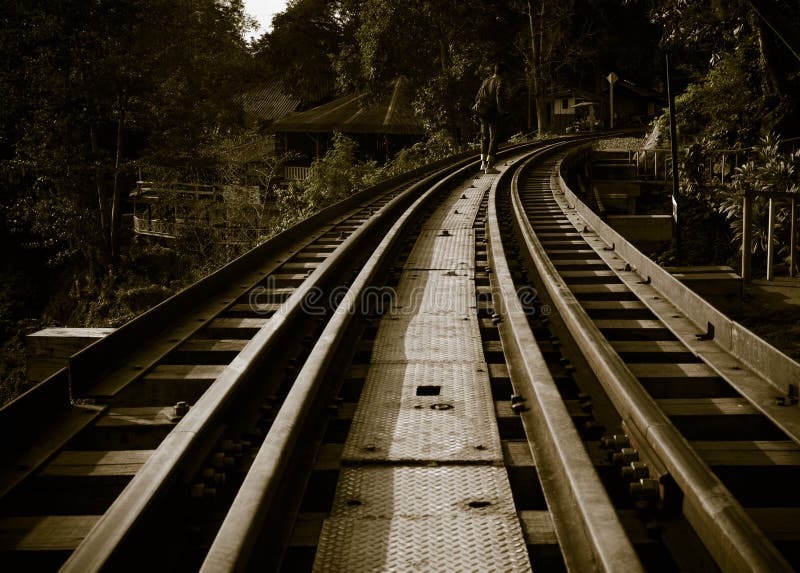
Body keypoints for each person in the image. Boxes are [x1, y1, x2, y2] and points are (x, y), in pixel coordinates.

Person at [474, 63, 505, 174]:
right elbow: (498, 97)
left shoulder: (486, 81)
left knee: (484, 137)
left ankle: (483, 163)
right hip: (493, 112)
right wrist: (501, 111)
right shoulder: (500, 81)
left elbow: (477, 97)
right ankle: (490, 166)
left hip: (483, 112)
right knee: (494, 137)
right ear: (502, 73)